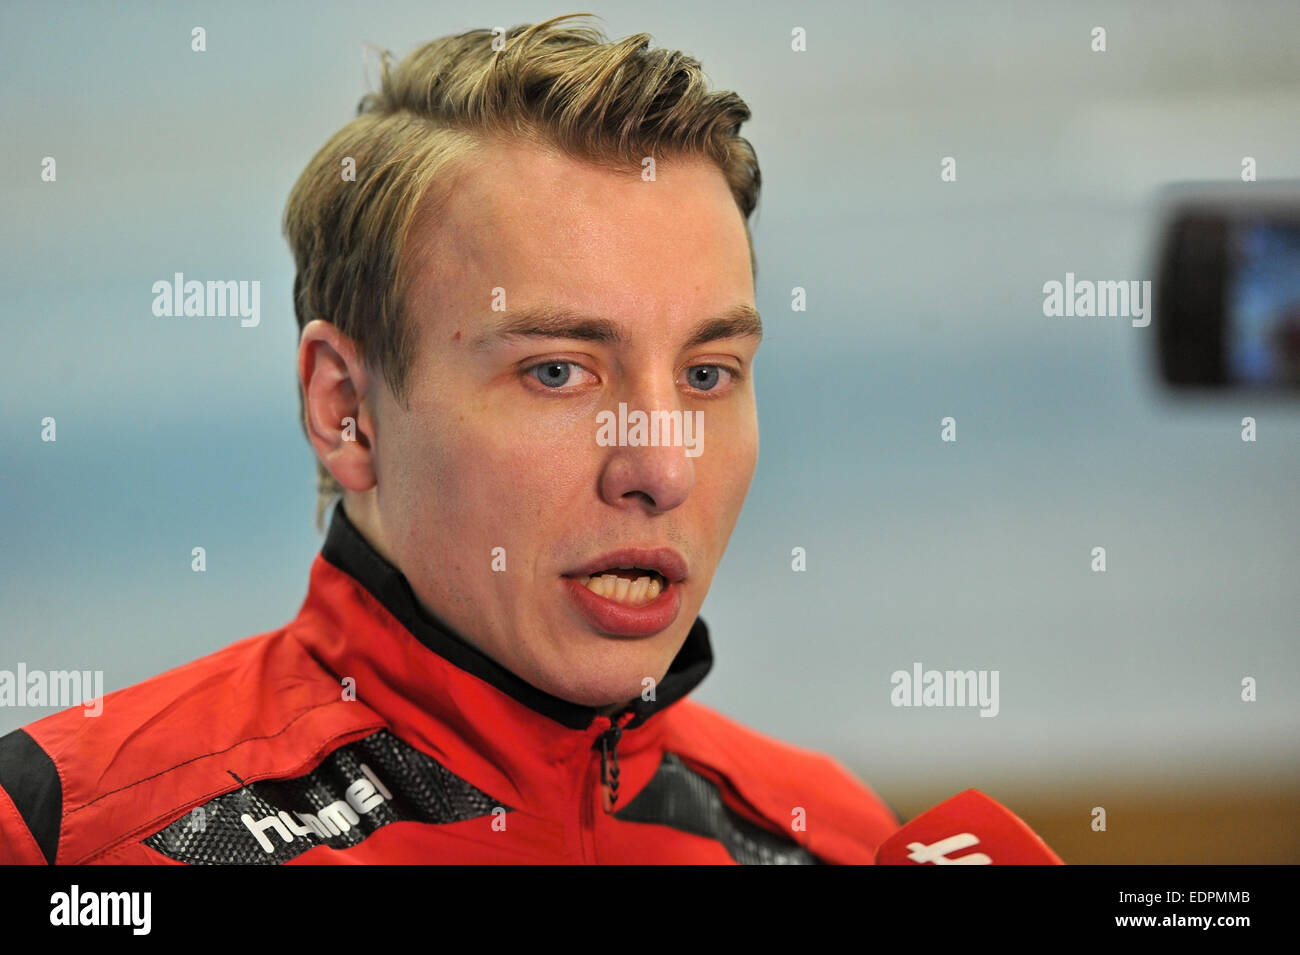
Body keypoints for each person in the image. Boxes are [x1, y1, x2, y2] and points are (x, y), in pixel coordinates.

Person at [0, 14, 898, 864]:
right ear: (347, 408)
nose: (661, 468)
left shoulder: (834, 839)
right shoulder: (66, 837)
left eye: (707, 374)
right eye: (558, 371)